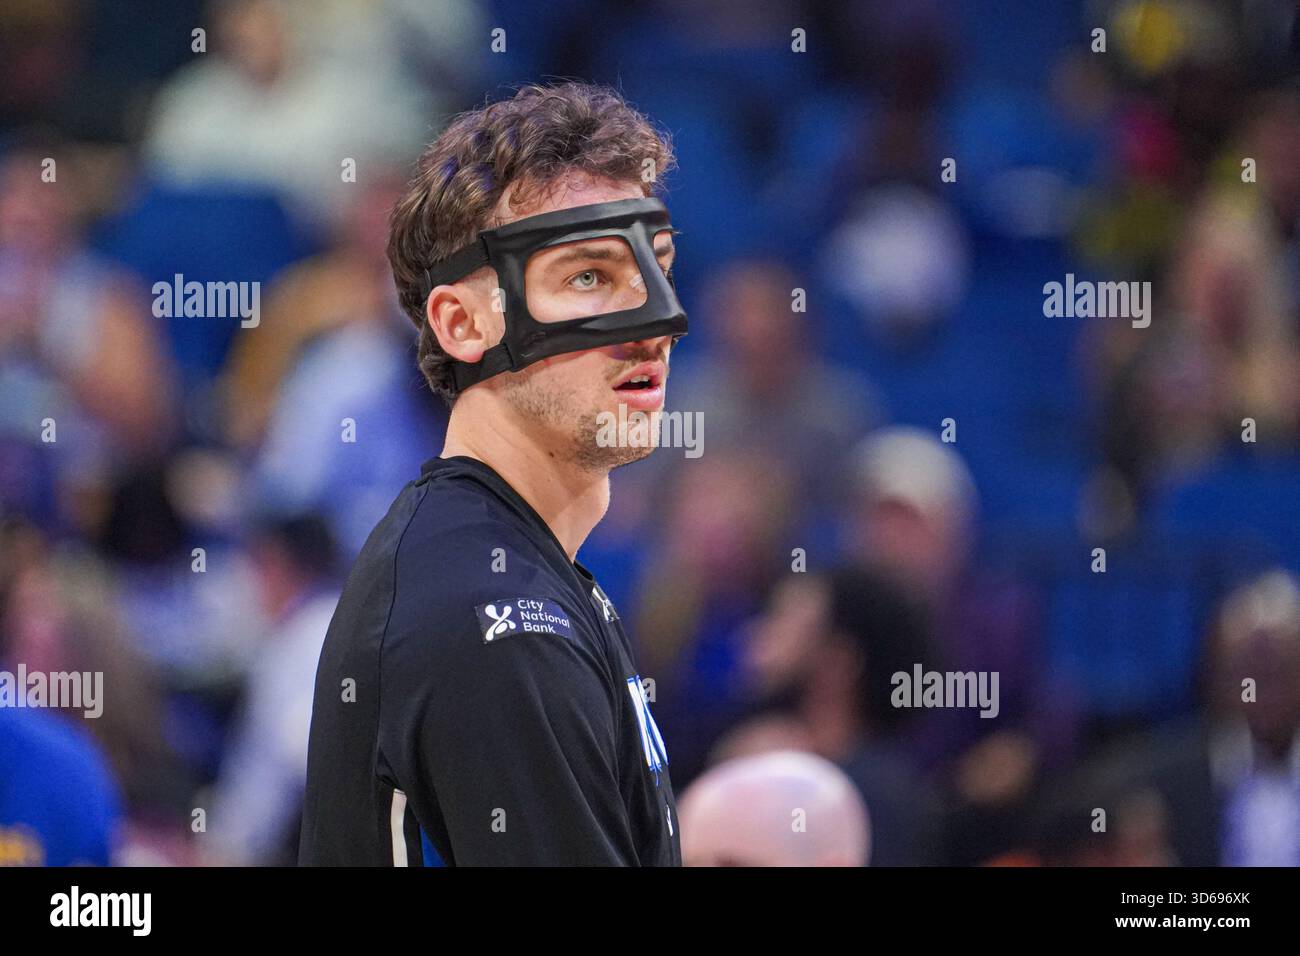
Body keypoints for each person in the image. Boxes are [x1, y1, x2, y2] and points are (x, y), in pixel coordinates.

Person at [300, 81, 686, 866]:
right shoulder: (497, 618)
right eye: (589, 276)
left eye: (658, 267)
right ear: (463, 324)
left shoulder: (518, 570)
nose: (655, 325)